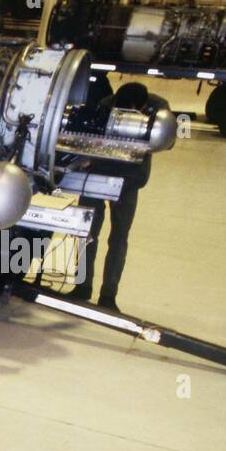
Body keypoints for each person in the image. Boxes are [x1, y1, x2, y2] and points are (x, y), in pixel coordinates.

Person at [72, 81, 158, 311]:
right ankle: (83, 286)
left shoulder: (158, 111)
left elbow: (162, 144)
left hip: (128, 181)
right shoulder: (104, 107)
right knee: (87, 234)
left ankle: (108, 294)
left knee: (118, 239)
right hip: (98, 175)